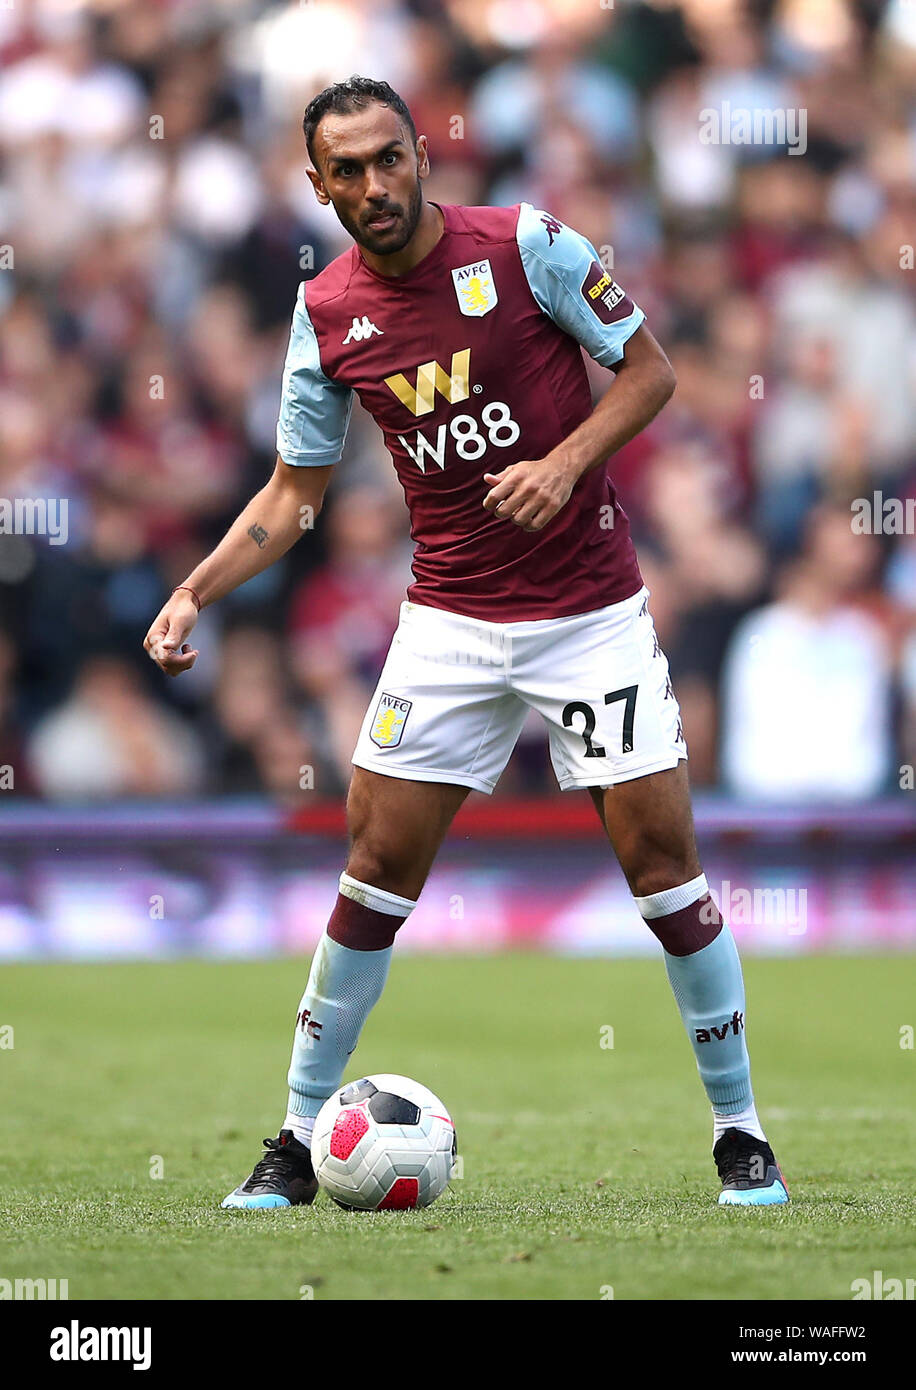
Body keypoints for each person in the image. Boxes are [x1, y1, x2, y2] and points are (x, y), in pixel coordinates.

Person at [144, 77, 788, 1209]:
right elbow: (296, 493)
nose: (373, 185)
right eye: (346, 169)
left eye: (388, 158)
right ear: (317, 185)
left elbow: (651, 372)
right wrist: (194, 589)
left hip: (589, 615)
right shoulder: (325, 313)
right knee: (374, 870)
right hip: (447, 622)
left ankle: (741, 1134)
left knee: (663, 870)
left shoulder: (529, 245)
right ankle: (294, 1141)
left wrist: (565, 460)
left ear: (420, 154)